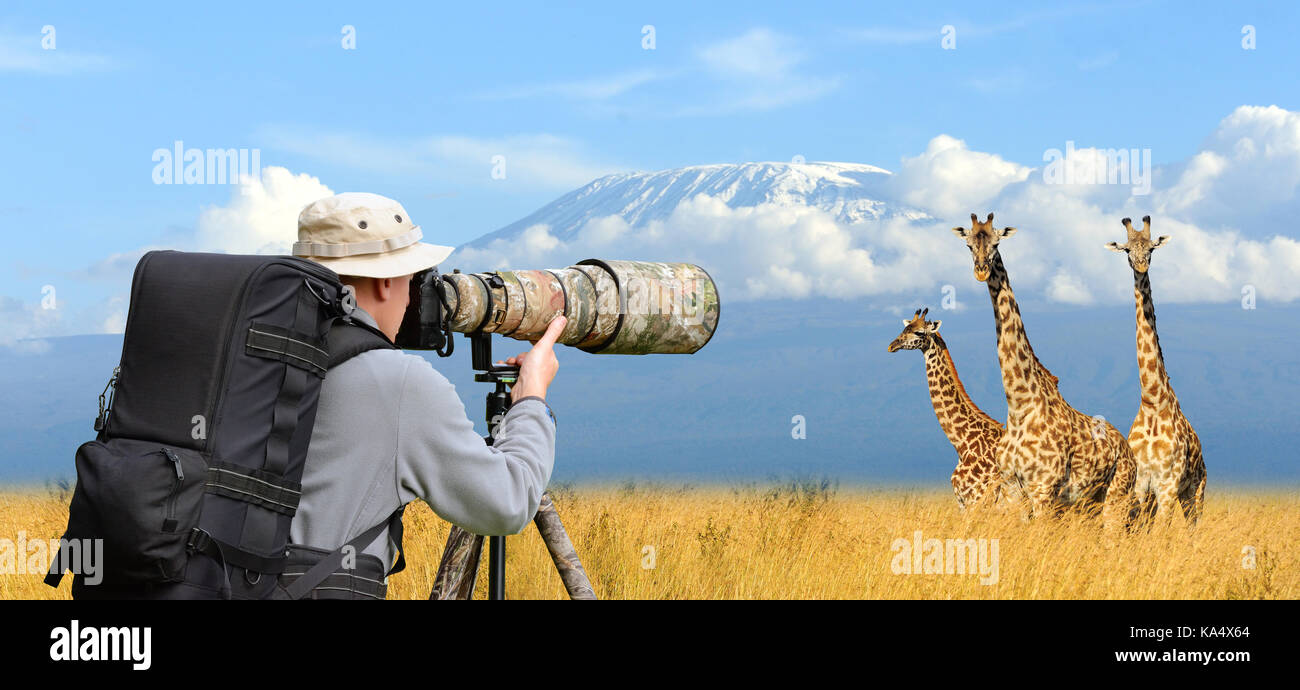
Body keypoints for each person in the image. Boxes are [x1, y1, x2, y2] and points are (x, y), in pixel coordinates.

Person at [288, 192, 563, 597]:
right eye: (414, 279)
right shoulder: (399, 383)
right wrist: (531, 400)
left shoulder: (259, 355)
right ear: (386, 281)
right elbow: (508, 502)